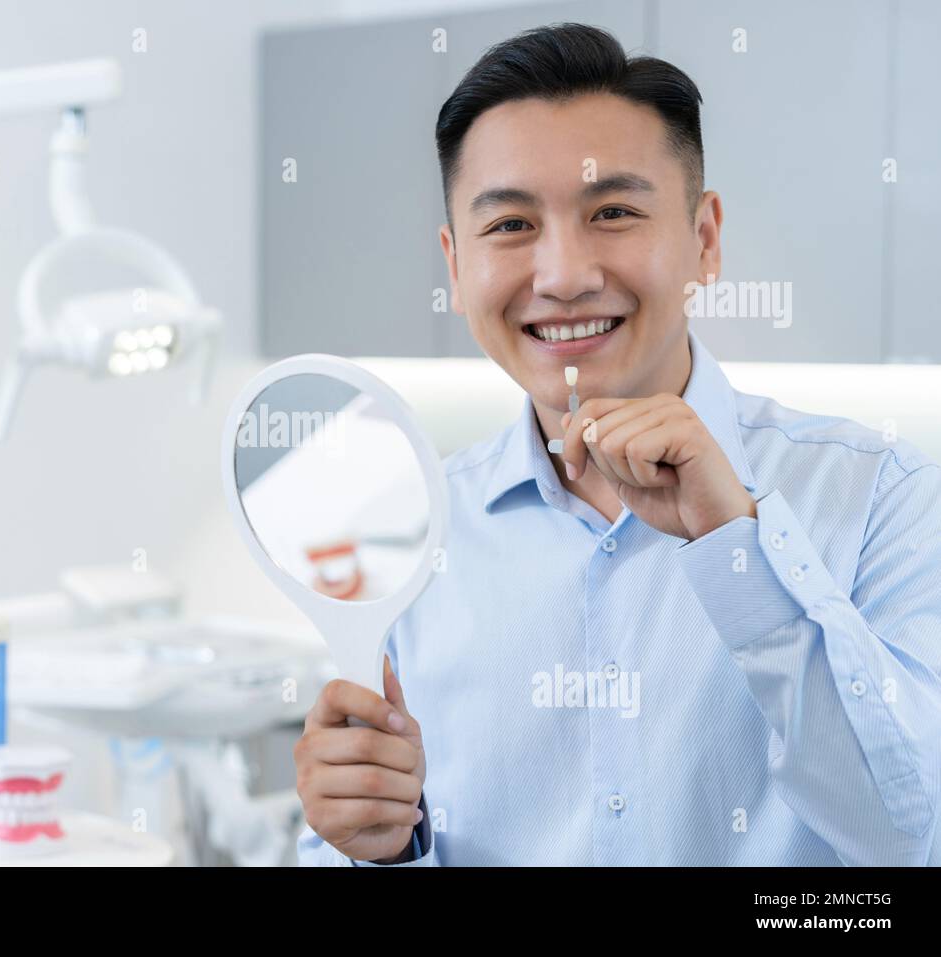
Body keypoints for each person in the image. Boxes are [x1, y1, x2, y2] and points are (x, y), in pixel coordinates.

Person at [294, 22, 941, 866]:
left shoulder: (884, 496)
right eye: (511, 225)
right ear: (454, 267)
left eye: (613, 213)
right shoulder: (410, 538)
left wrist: (736, 547)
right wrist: (373, 849)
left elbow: (908, 840)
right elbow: (337, 847)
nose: (562, 274)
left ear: (704, 241)